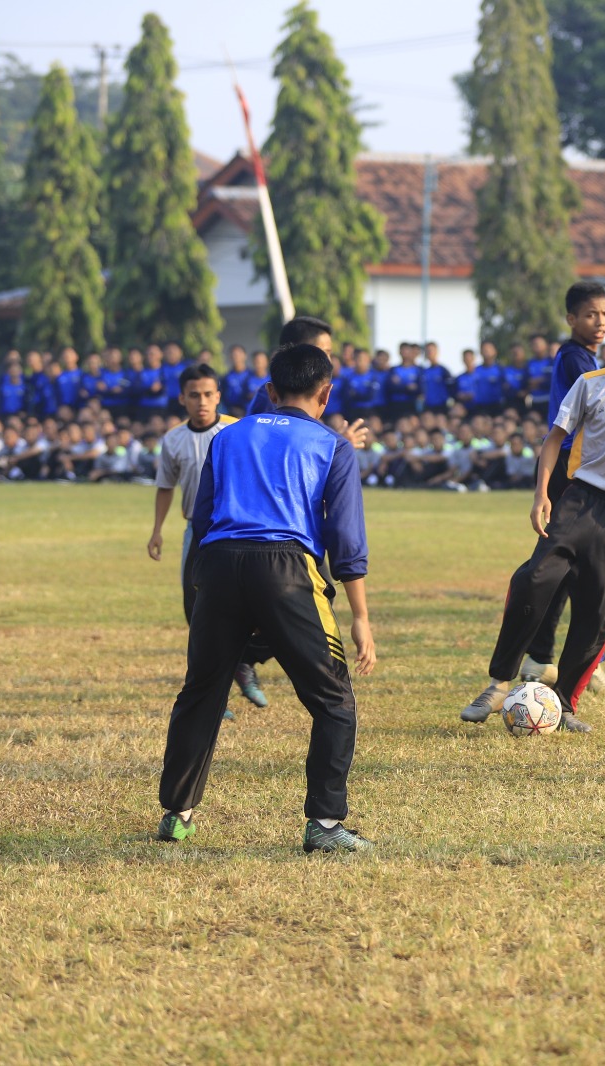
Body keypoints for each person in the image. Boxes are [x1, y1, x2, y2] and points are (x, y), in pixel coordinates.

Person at [155, 343, 376, 854]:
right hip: (285, 569)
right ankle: (324, 823)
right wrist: (361, 616)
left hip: (217, 563)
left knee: (202, 690)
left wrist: (208, 584)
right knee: (334, 700)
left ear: (270, 391)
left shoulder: (227, 437)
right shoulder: (332, 446)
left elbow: (203, 517)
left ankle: (177, 813)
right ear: (326, 394)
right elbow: (346, 538)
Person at [458, 299, 605, 733]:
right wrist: (541, 494)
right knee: (533, 579)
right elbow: (553, 439)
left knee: (597, 613)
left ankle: (564, 705)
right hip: (579, 501)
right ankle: (498, 683)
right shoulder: (591, 384)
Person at [517, 281, 605, 695]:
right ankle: (579, 663)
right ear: (571, 319)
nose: (599, 321)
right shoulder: (576, 357)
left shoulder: (584, 356)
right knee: (585, 567)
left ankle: (543, 657)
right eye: (591, 314)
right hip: (570, 467)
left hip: (577, 466)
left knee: (565, 566)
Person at [147, 363, 269, 716]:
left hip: (234, 529)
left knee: (253, 606)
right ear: (182, 399)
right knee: (197, 611)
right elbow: (165, 487)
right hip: (196, 533)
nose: (201, 401)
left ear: (218, 396)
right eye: (194, 395)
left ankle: (243, 663)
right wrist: (157, 529)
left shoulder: (237, 430)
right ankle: (216, 693)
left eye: (208, 394)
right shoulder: (173, 439)